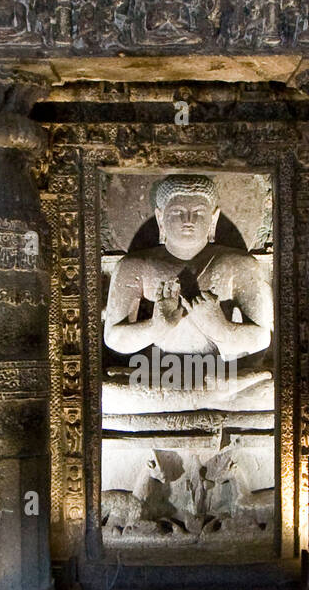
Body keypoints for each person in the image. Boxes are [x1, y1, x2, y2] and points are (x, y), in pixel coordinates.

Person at [102, 174, 273, 413]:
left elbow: (262, 337)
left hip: (221, 373)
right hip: (158, 374)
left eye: (199, 213)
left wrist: (220, 327)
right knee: (105, 395)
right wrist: (157, 326)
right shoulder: (135, 265)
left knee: (271, 392)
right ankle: (204, 397)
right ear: (160, 218)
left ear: (213, 219)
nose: (188, 220)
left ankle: (191, 398)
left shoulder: (239, 264)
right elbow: (113, 337)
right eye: (177, 212)